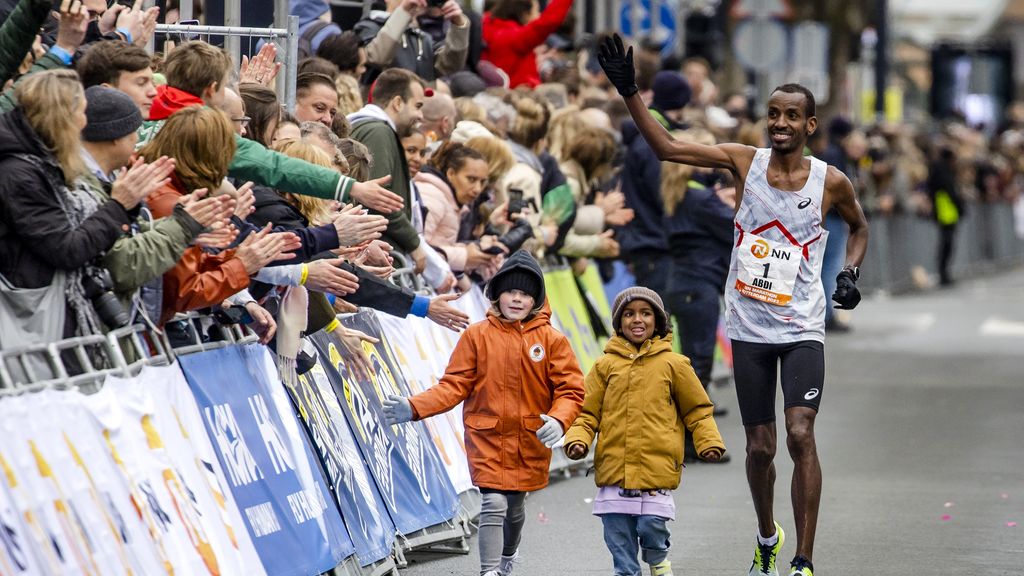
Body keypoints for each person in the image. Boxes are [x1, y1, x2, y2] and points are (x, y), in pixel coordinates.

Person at [598, 35, 870, 576]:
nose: (781, 123)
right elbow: (668, 149)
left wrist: (849, 272)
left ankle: (803, 561)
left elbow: (859, 228)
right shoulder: (741, 162)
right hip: (747, 324)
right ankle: (768, 535)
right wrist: (631, 93)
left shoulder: (830, 181)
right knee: (761, 448)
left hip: (801, 325)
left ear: (810, 125)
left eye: (792, 115)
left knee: (799, 433)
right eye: (773, 114)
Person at [382, 250, 585, 576]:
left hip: (529, 439)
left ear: (536, 299)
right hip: (486, 436)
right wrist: (413, 406)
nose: (517, 299)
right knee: (493, 504)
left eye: (525, 293)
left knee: (515, 509)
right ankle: (489, 571)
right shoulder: (477, 336)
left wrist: (559, 420)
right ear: (496, 294)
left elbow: (571, 390)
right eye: (511, 291)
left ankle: (508, 554)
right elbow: (453, 386)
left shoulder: (552, 341)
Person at [0, 69, 170, 347]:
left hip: (53, 313)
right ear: (62, 118)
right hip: (33, 319)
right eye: (81, 113)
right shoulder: (20, 174)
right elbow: (67, 249)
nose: (84, 125)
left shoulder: (39, 164)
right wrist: (118, 206)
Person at [564, 286, 726, 576]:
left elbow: (697, 410)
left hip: (656, 470)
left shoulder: (675, 365)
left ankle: (657, 558)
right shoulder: (604, 366)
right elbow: (588, 413)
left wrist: (708, 441)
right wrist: (578, 439)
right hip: (614, 471)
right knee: (617, 536)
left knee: (652, 525)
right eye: (628, 314)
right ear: (618, 323)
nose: (637, 320)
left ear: (659, 321)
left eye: (645, 313)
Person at [137, 40, 402, 214]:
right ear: (211, 89)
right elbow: (274, 166)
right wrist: (350, 187)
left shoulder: (144, 103)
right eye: (226, 85)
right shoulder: (205, 128)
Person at [618, 70, 691, 307]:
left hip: (650, 245)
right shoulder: (654, 144)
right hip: (656, 247)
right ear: (680, 104)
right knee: (656, 325)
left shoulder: (648, 135)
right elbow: (664, 197)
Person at [349, 67, 431, 272]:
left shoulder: (373, 128)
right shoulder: (378, 131)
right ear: (397, 103)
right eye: (417, 106)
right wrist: (414, 244)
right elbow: (379, 199)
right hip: (374, 253)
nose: (420, 116)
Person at [354, 0, 469, 84]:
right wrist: (403, 12)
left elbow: (450, 65)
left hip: (420, 112)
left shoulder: (421, 36)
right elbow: (376, 57)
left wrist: (458, 25)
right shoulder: (369, 25)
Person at [481, 0, 574, 88]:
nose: (539, 15)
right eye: (537, 11)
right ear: (525, 14)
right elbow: (549, 21)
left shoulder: (488, 27)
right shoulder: (515, 37)